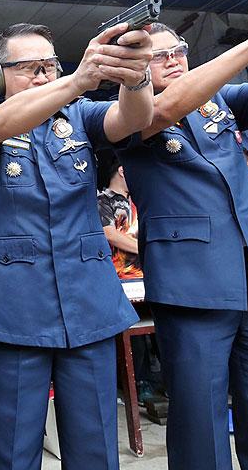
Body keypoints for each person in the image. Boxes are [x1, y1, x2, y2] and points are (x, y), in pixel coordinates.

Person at [112, 0, 248, 470]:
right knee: (200, 424)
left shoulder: (220, 100)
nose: (173, 60)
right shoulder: (129, 114)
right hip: (192, 284)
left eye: (179, 51)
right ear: (136, 69)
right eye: (159, 55)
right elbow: (165, 110)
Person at [0, 21, 154, 469]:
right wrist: (77, 79)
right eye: (28, 68)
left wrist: (137, 75)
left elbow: (134, 117)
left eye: (49, 65)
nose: (43, 75)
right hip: (16, 308)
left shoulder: (80, 115)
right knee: (12, 449)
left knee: (95, 447)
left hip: (89, 302)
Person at [96, 160, 161, 403]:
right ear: (123, 170)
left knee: (160, 325)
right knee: (133, 331)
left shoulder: (141, 198)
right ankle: (139, 381)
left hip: (152, 273)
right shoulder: (103, 200)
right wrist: (148, 249)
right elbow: (110, 234)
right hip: (121, 278)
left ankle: (163, 379)